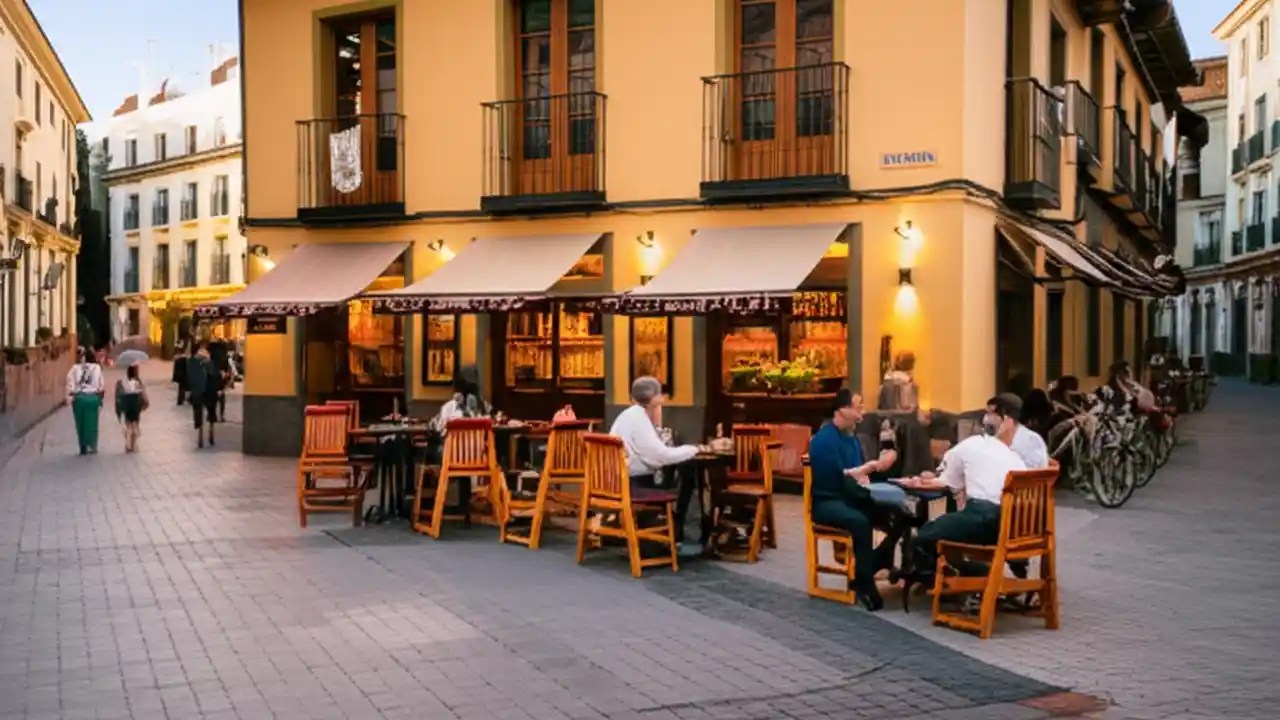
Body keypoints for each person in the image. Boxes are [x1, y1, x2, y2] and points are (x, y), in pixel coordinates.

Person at [910, 394, 1028, 585]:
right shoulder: (1016, 459)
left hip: (984, 519)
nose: (984, 418)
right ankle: (973, 575)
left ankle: (955, 581)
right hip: (1017, 528)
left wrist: (923, 480)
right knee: (952, 527)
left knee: (923, 537)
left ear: (1005, 420)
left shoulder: (973, 443)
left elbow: (948, 481)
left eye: (990, 414)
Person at [808, 389, 898, 611]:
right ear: (842, 410)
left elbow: (860, 476)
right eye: (857, 406)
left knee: (899, 515)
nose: (862, 412)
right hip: (828, 501)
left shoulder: (852, 439)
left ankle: (874, 563)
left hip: (851, 496)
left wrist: (880, 467)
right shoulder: (823, 440)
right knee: (860, 521)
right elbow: (839, 478)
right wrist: (866, 472)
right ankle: (866, 584)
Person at [608, 376, 703, 544]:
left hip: (616, 481)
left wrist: (657, 423)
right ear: (653, 398)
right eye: (660, 397)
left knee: (676, 479)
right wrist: (696, 449)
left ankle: (669, 531)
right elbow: (660, 456)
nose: (663, 400)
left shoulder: (628, 415)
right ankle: (674, 531)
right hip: (632, 484)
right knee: (684, 482)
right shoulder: (638, 418)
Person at [65, 347, 105, 455]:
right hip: (92, 398)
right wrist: (100, 397)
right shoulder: (97, 368)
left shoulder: (74, 368)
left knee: (80, 423)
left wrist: (70, 397)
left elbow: (70, 383)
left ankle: (82, 445)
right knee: (92, 422)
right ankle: (92, 445)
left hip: (79, 398)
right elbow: (101, 385)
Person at [186, 343, 220, 448]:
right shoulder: (193, 362)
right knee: (200, 412)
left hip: (208, 390)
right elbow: (190, 377)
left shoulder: (208, 362)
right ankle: (202, 434)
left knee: (210, 411)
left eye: (204, 350)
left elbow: (215, 375)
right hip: (201, 391)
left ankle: (209, 432)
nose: (203, 352)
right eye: (201, 350)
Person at [114, 363, 149, 452]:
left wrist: (119, 406)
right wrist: (146, 402)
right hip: (135, 403)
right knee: (135, 424)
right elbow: (143, 392)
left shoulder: (122, 381)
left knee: (128, 424)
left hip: (126, 403)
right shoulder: (138, 381)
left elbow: (119, 393)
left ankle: (128, 444)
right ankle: (133, 444)